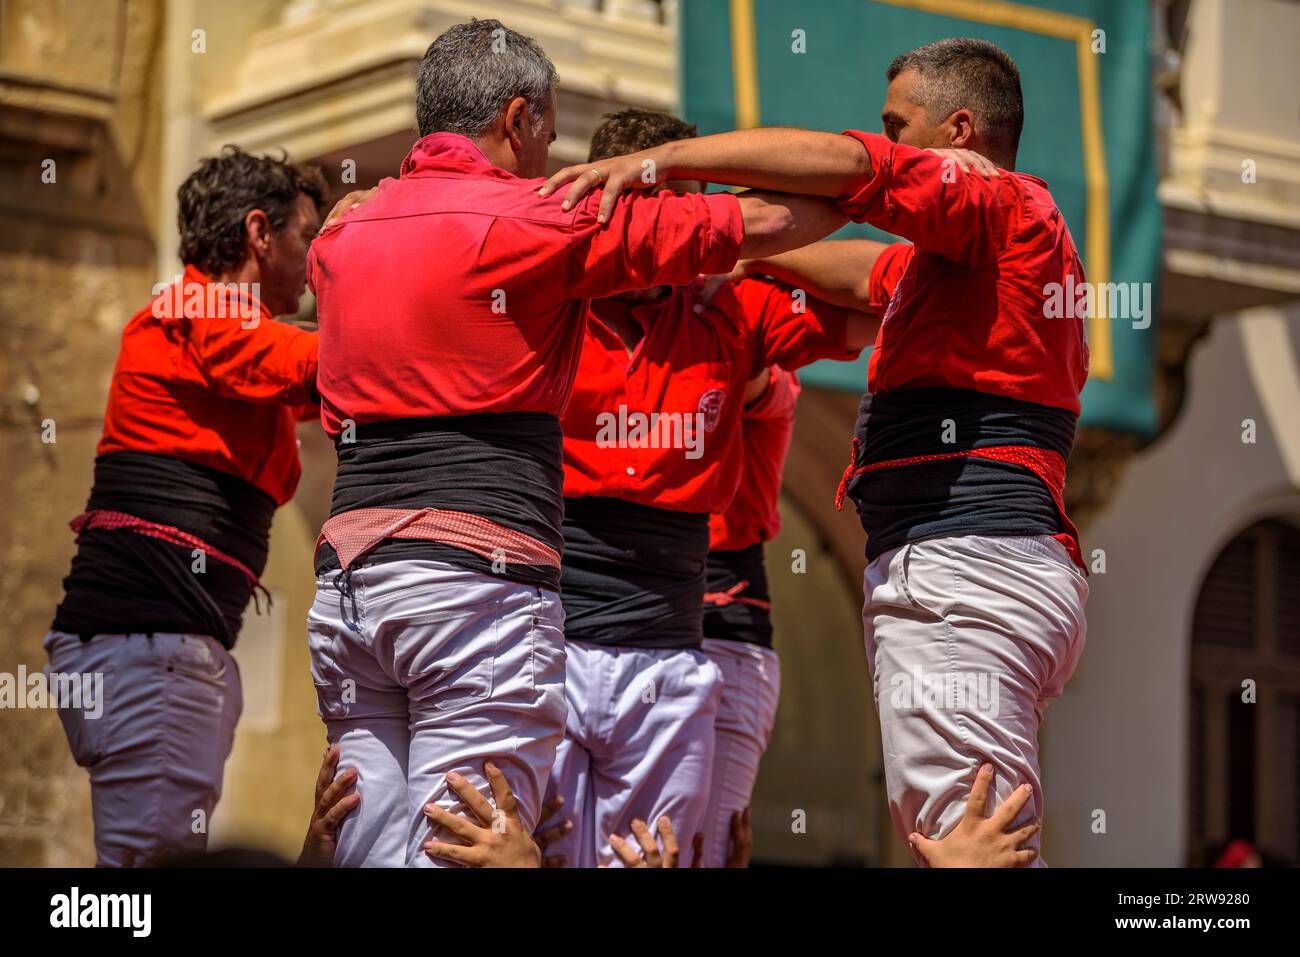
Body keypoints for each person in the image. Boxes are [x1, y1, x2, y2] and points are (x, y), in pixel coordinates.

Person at [306, 21, 849, 868]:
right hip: (470, 596)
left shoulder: (344, 234)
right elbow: (797, 209)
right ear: (518, 118)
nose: (554, 155)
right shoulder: (540, 221)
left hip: (349, 593)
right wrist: (885, 179)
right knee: (473, 846)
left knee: (366, 845)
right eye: (549, 133)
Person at [541, 37, 1089, 867]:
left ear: (960, 134)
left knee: (971, 850)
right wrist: (704, 228)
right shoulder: (963, 262)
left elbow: (845, 168)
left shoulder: (999, 206)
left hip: (968, 573)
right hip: (985, 570)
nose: (884, 138)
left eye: (898, 125)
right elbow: (850, 267)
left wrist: (664, 165)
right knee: (966, 840)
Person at [536, 109, 873, 868]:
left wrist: (750, 252)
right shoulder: (547, 289)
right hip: (549, 642)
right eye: (661, 201)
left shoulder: (733, 304)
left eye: (695, 204)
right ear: (606, 199)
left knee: (687, 859)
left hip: (682, 647)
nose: (683, 223)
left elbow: (877, 303)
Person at [44, 147, 326, 867]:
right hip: (151, 652)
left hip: (151, 654)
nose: (318, 261)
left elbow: (328, 390)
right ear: (260, 234)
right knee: (147, 882)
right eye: (309, 238)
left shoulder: (229, 346)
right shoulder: (195, 310)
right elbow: (316, 366)